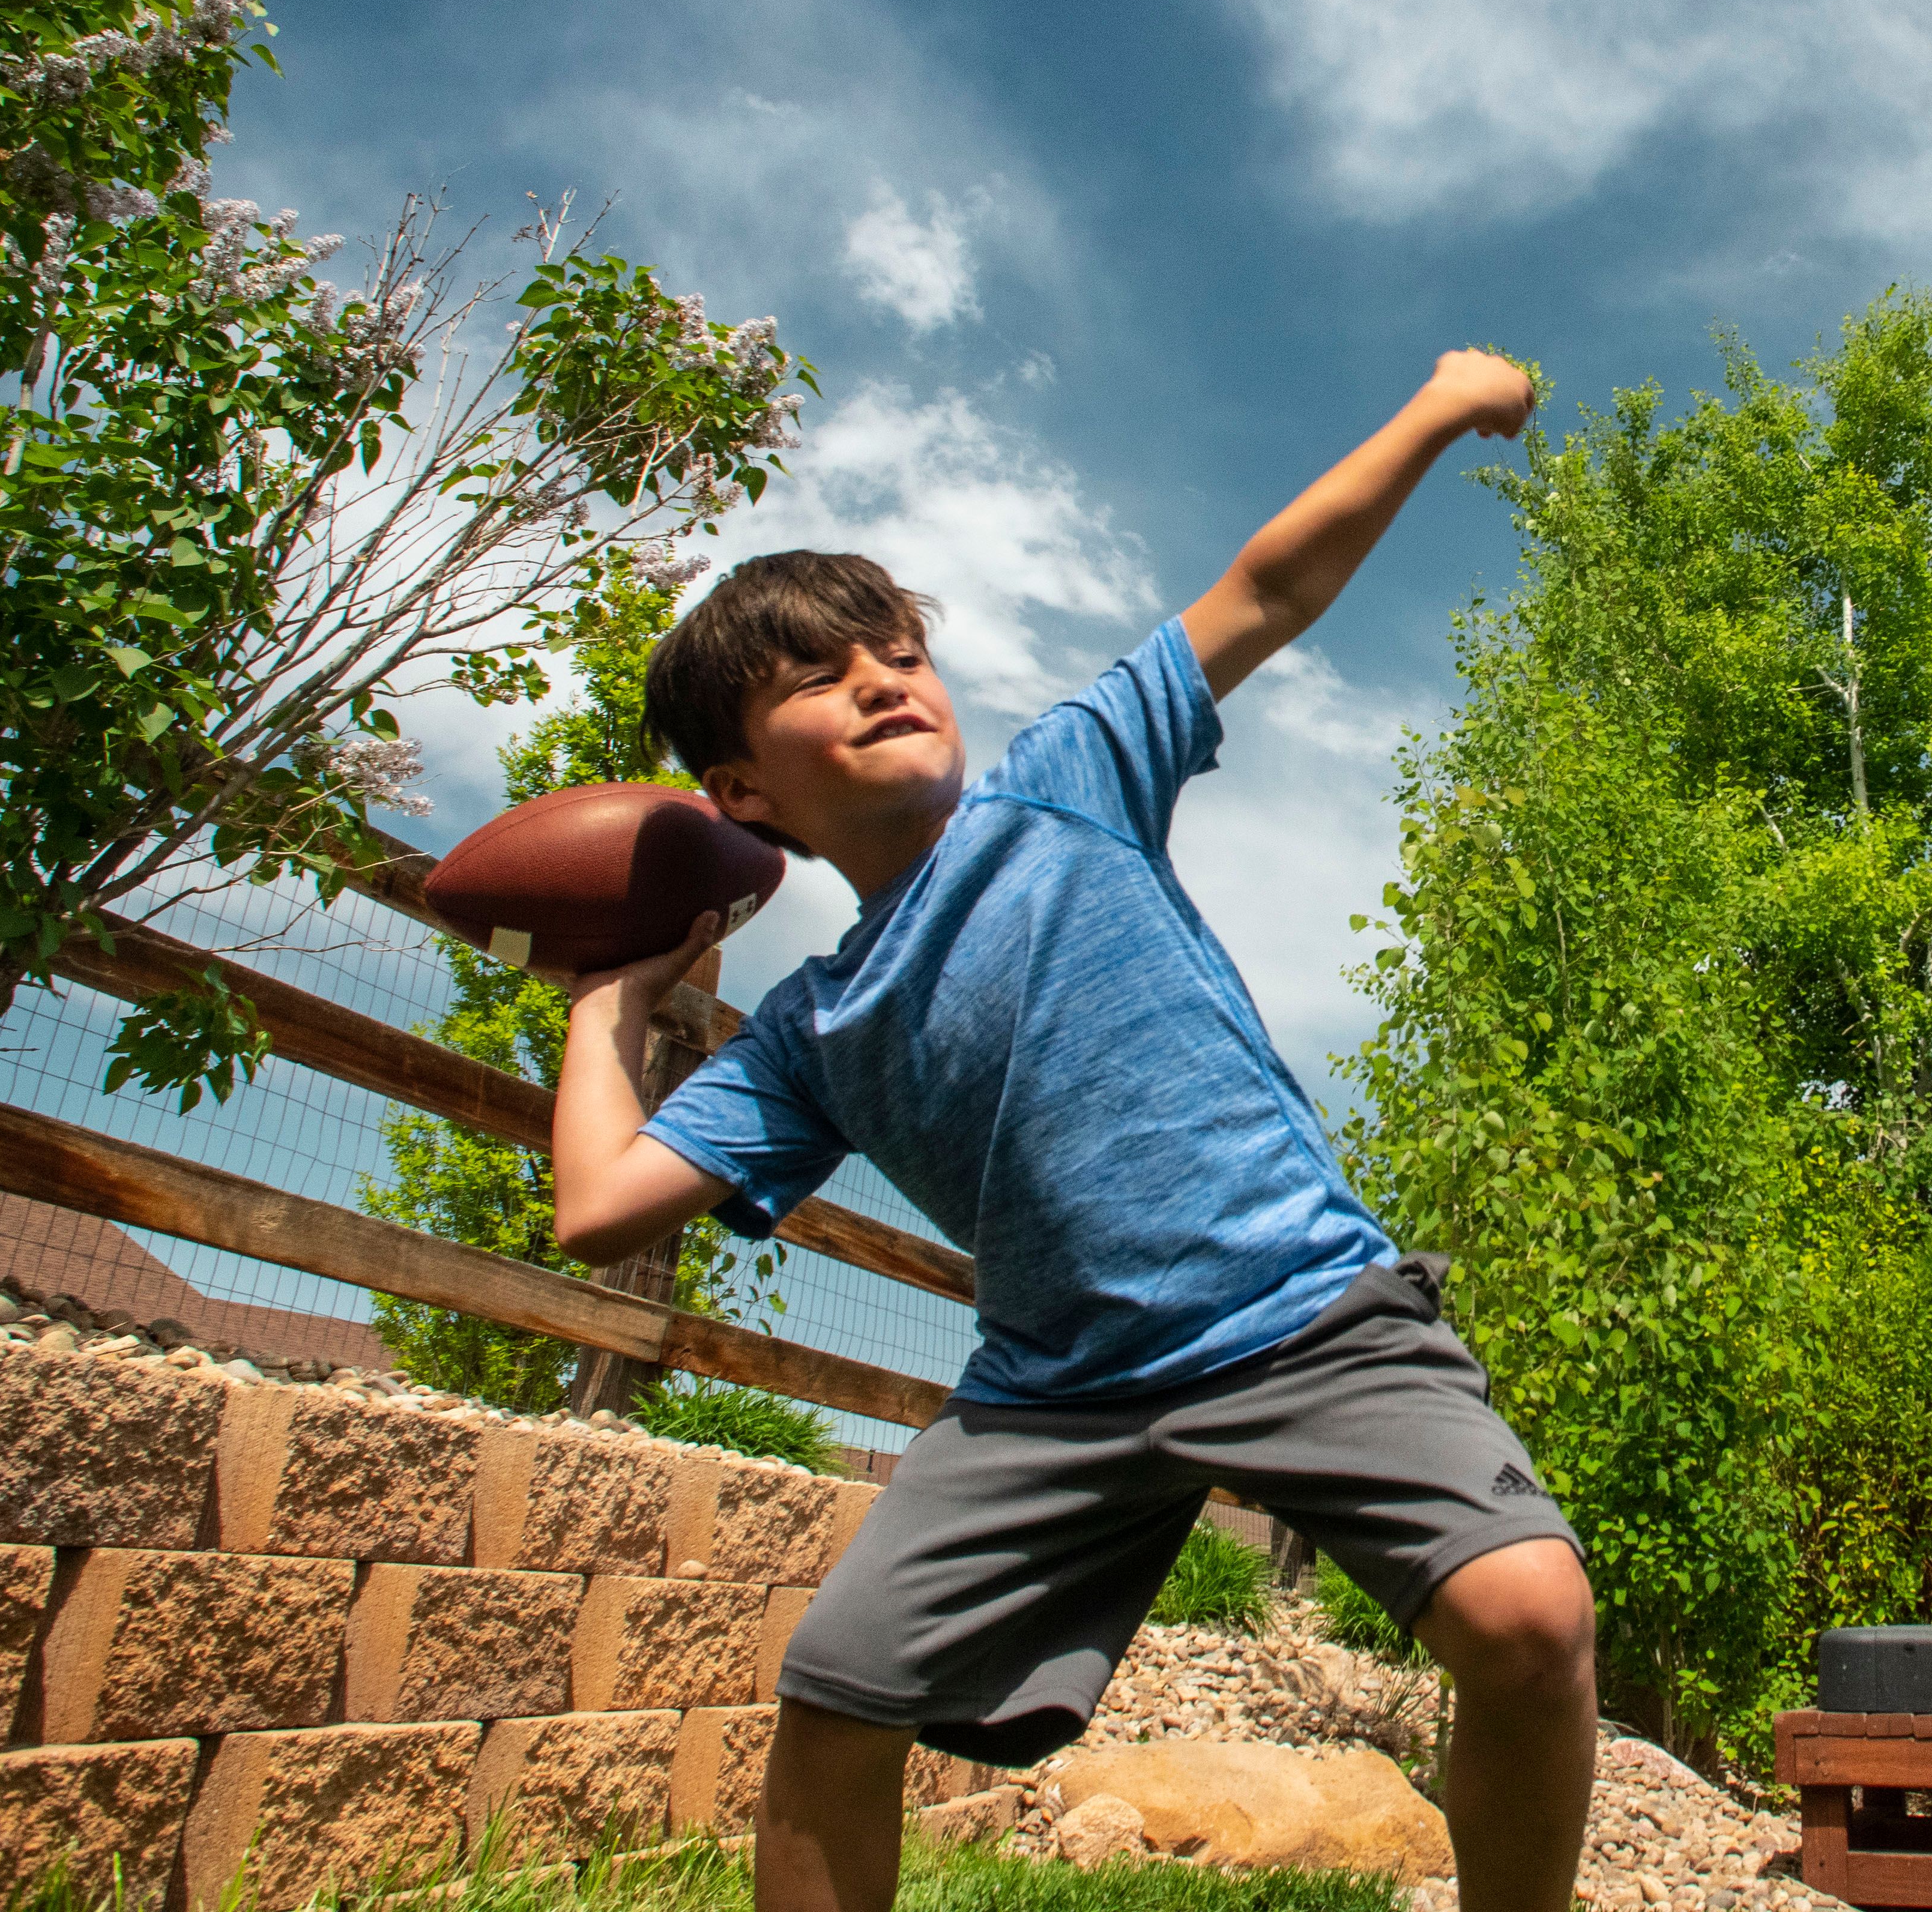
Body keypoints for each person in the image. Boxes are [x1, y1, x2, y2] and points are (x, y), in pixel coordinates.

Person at [546, 349, 1594, 1912]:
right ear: (742, 791)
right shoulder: (813, 1034)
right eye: (821, 676)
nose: (884, 678)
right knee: (836, 1693)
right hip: (1056, 1398)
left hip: (1308, 1315)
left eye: (901, 651)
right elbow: (600, 1209)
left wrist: (1440, 409)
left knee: (1532, 1618)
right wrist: (608, 1001)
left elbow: (1266, 590)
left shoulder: (1068, 782)